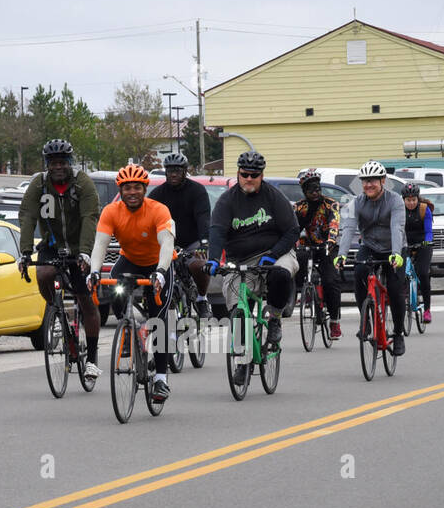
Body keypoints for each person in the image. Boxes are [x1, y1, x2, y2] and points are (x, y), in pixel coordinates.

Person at [206, 150, 299, 384]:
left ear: (261, 175)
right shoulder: (227, 201)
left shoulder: (273, 197)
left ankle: (275, 317)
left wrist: (274, 254)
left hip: (275, 253)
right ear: (238, 173)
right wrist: (214, 259)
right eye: (245, 174)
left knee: (280, 273)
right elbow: (217, 231)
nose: (249, 179)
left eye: (254, 175)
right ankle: (242, 362)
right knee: (239, 309)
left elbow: (292, 231)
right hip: (241, 261)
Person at [88, 165, 177, 401]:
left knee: (158, 320)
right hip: (130, 260)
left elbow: (166, 243)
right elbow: (100, 245)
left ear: (144, 189)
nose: (132, 192)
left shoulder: (158, 210)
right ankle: (129, 329)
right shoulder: (111, 211)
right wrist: (94, 272)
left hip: (160, 263)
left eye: (137, 187)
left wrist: (160, 272)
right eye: (127, 188)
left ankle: (160, 379)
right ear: (121, 189)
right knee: (114, 290)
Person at [18, 139, 102, 377]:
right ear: (47, 164)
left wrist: (85, 251)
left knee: (85, 300)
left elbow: (90, 217)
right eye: (53, 163)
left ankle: (92, 359)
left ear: (70, 163)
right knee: (43, 273)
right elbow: (27, 216)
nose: (58, 167)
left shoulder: (82, 183)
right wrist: (25, 252)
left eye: (62, 162)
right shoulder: (40, 184)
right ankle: (56, 312)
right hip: (52, 245)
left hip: (79, 247)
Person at [335, 160, 407, 355]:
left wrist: (397, 254)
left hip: (395, 247)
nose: (368, 185)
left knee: (394, 289)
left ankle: (398, 333)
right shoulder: (356, 203)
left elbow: (397, 228)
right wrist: (341, 255)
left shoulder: (395, 200)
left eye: (373, 180)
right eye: (365, 181)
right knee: (358, 273)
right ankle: (365, 321)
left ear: (383, 181)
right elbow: (348, 228)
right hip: (370, 247)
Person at [148, 152, 212, 317]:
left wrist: (204, 243)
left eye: (177, 170)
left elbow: (203, 218)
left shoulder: (197, 191)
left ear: (185, 171)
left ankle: (201, 298)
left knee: (199, 266)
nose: (173, 174)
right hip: (165, 244)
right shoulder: (156, 194)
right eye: (170, 171)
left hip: (192, 242)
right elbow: (147, 221)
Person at [292, 168, 343, 339]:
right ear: (304, 191)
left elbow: (335, 223)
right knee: (295, 267)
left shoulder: (331, 204)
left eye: (317, 189)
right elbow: (292, 230)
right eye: (310, 190)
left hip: (327, 246)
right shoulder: (299, 207)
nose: (315, 193)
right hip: (308, 247)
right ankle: (308, 296)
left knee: (331, 281)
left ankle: (334, 321)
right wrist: (291, 244)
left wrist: (331, 240)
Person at [402, 182, 434, 323]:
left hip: (423, 244)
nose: (411, 203)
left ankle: (427, 309)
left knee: (422, 273)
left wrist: (427, 241)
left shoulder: (423, 209)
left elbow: (428, 231)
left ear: (417, 198)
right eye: (408, 200)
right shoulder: (399, 210)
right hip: (405, 243)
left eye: (413, 200)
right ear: (403, 199)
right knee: (400, 272)